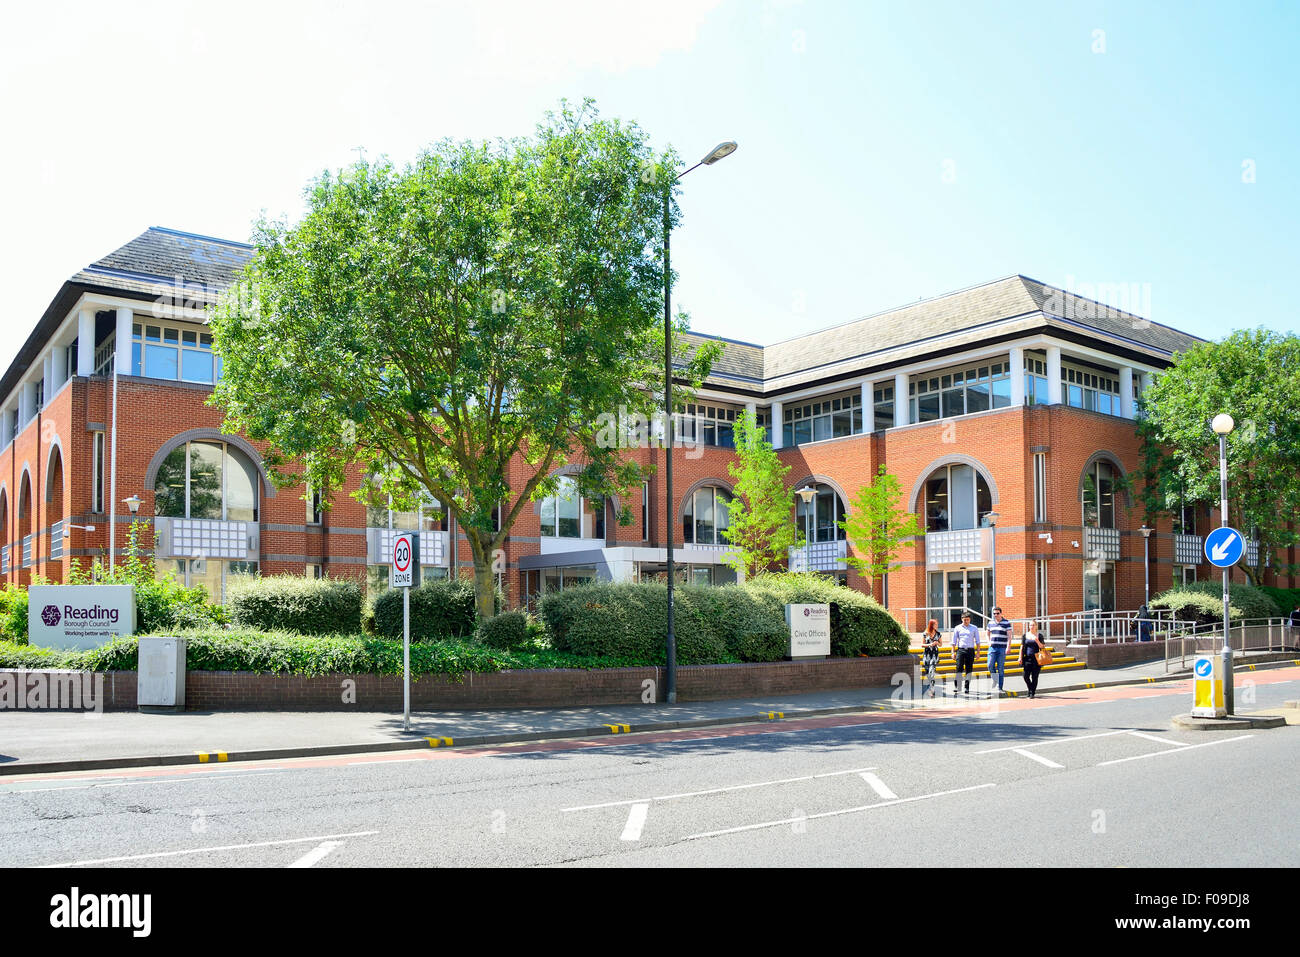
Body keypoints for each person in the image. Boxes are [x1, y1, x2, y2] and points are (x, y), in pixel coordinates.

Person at [950, 612, 980, 695]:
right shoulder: (957, 628)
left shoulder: (974, 628)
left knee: (969, 669)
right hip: (960, 650)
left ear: (970, 619)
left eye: (967, 619)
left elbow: (977, 641)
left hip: (970, 650)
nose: (966, 621)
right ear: (961, 619)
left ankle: (967, 687)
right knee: (959, 668)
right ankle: (957, 686)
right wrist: (953, 652)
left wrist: (978, 652)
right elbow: (953, 641)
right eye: (964, 619)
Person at [986, 606, 1012, 696]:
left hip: (1002, 648)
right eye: (994, 614)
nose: (995, 615)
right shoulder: (990, 623)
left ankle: (999, 687)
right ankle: (995, 679)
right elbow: (987, 633)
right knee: (990, 665)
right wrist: (988, 642)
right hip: (992, 648)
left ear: (1001, 613)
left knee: (1000, 668)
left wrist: (1008, 647)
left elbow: (1009, 636)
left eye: (997, 613)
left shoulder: (1006, 623)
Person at [1019, 619, 1045, 698]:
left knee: (1035, 676)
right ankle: (1030, 689)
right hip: (1027, 658)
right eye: (1030, 625)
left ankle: (1032, 693)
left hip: (1037, 659)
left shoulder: (1039, 635)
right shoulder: (1025, 635)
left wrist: (1037, 641)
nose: (1032, 627)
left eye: (1033, 625)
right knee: (1025, 676)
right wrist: (1020, 657)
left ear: (1036, 626)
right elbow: (1021, 647)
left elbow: (1042, 646)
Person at [921, 619, 942, 698]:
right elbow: (922, 645)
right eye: (936, 624)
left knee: (931, 671)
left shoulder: (938, 634)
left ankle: (932, 690)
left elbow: (941, 645)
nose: (937, 626)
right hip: (926, 655)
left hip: (934, 655)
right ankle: (931, 685)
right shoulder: (925, 634)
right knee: (928, 672)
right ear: (931, 625)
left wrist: (937, 643)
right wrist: (930, 644)